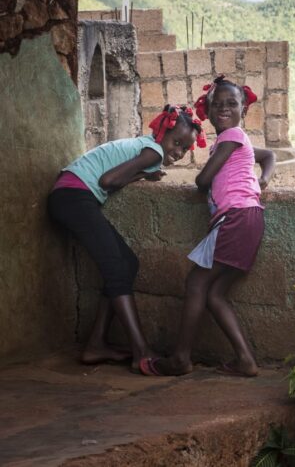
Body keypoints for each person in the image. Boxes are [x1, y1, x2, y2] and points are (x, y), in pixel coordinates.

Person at [47, 105, 203, 372]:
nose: (177, 153)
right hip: (73, 196)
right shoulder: (153, 151)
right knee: (117, 267)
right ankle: (140, 351)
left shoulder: (146, 148)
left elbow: (112, 177)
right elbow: (108, 181)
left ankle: (96, 344)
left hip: (69, 194)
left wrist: (144, 174)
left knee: (127, 263)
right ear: (162, 132)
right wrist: (145, 173)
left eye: (185, 149)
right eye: (176, 143)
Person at [146, 76, 275, 377]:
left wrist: (255, 181)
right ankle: (245, 360)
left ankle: (180, 358)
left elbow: (202, 181)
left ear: (244, 109)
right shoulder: (232, 142)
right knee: (214, 293)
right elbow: (269, 156)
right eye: (217, 104)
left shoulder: (232, 137)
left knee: (195, 284)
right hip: (247, 218)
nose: (224, 109)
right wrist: (262, 180)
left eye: (232, 103)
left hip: (236, 218)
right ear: (207, 109)